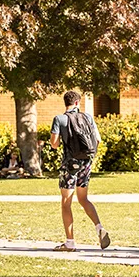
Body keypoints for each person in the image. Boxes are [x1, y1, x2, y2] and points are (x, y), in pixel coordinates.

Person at [49, 90, 110, 252]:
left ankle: (70, 242)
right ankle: (99, 228)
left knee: (66, 202)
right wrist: (89, 158)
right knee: (83, 199)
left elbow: (54, 144)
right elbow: (97, 139)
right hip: (86, 163)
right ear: (77, 103)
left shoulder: (59, 119)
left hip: (70, 164)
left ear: (66, 103)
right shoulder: (88, 117)